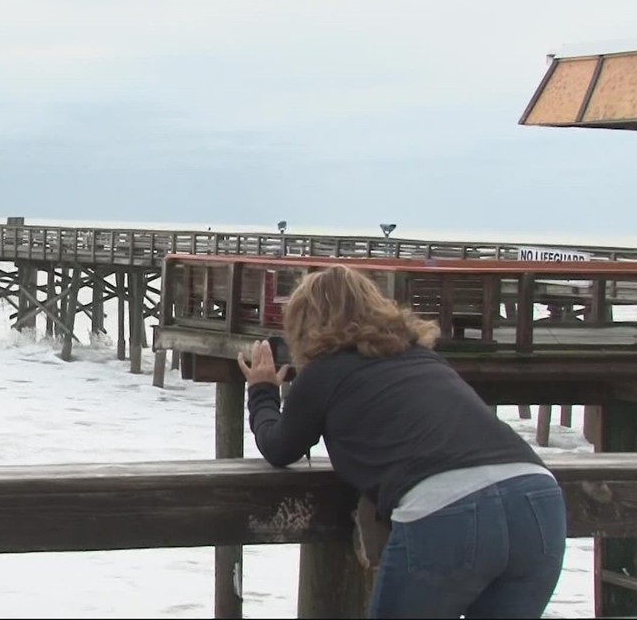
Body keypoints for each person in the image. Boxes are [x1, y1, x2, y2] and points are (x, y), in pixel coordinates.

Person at [237, 264, 567, 619]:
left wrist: (262, 391)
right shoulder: (424, 358)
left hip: (447, 511)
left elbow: (279, 447)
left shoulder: (321, 374)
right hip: (537, 499)